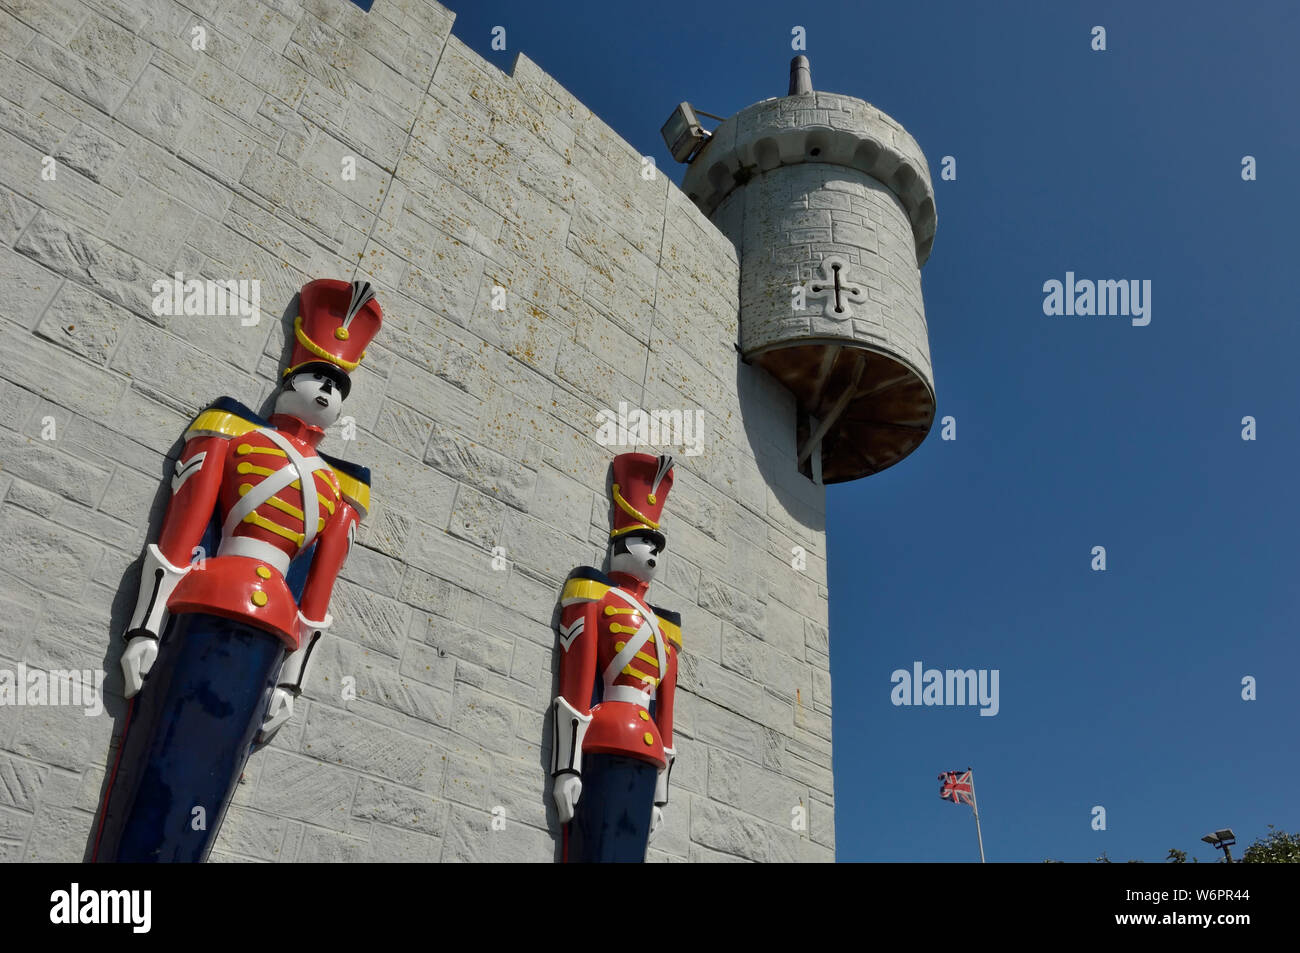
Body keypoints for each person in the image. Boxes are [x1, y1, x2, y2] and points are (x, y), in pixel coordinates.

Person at [92, 279, 382, 863]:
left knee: (213, 774)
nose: (327, 389)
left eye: (338, 385)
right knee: (161, 768)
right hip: (207, 597)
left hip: (272, 624)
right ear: (289, 379)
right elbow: (184, 527)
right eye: (318, 377)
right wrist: (145, 628)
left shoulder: (339, 486)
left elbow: (317, 595)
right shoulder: (235, 433)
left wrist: (292, 683)